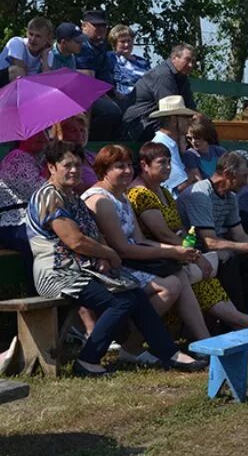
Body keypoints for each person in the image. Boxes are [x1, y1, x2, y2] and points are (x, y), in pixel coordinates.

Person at [26, 141, 203, 376]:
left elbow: (93, 235)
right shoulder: (49, 197)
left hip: (83, 269)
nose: (74, 170)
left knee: (133, 292)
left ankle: (169, 353)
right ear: (51, 167)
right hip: (58, 274)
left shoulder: (72, 197)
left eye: (78, 165)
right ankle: (87, 360)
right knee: (120, 301)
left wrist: (103, 254)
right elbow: (75, 240)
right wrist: (108, 253)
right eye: (67, 165)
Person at [82, 145, 213, 360]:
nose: (126, 171)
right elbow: (123, 249)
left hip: (128, 260)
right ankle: (131, 343)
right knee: (170, 286)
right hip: (109, 266)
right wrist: (172, 253)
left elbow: (140, 240)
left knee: (178, 274)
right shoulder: (101, 201)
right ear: (104, 170)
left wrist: (177, 250)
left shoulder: (121, 197)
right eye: (118, 166)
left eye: (127, 165)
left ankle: (204, 342)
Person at [127, 142, 248, 330]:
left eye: (170, 162)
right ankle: (238, 325)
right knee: (205, 274)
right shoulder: (140, 194)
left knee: (208, 277)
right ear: (144, 165)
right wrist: (196, 256)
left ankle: (238, 322)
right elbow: (163, 234)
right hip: (156, 258)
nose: (168, 167)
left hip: (177, 254)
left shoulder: (164, 193)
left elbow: (180, 230)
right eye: (162, 162)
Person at [177, 151, 248, 312]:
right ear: (227, 174)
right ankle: (238, 314)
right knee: (229, 259)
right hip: (196, 251)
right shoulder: (201, 195)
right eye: (243, 176)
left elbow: (239, 235)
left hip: (218, 248)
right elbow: (209, 242)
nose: (246, 182)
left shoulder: (231, 197)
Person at [0, 131, 48, 290]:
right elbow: (40, 192)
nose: (42, 136)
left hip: (36, 218)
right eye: (35, 133)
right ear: (20, 137)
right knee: (39, 241)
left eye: (45, 132)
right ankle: (38, 290)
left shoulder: (39, 160)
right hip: (13, 222)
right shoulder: (16, 158)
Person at [122, 43, 197, 141]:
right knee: (180, 126)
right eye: (187, 60)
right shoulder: (162, 75)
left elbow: (190, 106)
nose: (191, 65)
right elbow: (171, 109)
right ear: (174, 58)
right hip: (138, 124)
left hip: (156, 121)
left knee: (202, 129)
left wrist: (200, 122)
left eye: (193, 61)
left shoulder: (182, 77)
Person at [76, 10, 123, 141]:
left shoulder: (101, 46)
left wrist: (114, 93)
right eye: (96, 25)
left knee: (130, 111)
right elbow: (88, 81)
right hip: (83, 96)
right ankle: (91, 144)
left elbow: (104, 76)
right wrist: (109, 98)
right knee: (111, 112)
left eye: (103, 25)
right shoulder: (81, 46)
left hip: (103, 93)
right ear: (84, 26)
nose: (101, 29)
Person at [149, 95, 199, 197]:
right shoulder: (161, 145)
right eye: (185, 117)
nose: (189, 121)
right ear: (173, 119)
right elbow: (181, 185)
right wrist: (192, 177)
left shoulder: (169, 143)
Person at [52, 113, 96, 195]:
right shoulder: (58, 158)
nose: (80, 135)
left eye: (82, 130)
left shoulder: (92, 156)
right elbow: (77, 187)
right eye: (73, 131)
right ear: (60, 134)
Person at [0, 16, 53, 81]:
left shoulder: (48, 52)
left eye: (38, 36)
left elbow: (46, 79)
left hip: (17, 86)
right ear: (26, 33)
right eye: (31, 34)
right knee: (18, 71)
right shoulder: (16, 42)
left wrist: (45, 59)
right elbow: (21, 75)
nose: (33, 39)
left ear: (48, 38)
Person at [108, 24, 151, 100]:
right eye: (122, 41)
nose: (126, 44)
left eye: (129, 41)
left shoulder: (142, 62)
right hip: (120, 98)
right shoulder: (110, 58)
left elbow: (151, 80)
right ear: (115, 43)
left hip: (144, 97)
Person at [183, 114, 226, 180]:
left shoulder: (219, 152)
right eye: (189, 138)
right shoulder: (190, 155)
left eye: (197, 137)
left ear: (206, 136)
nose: (193, 141)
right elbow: (199, 181)